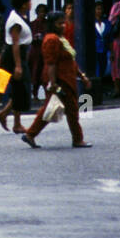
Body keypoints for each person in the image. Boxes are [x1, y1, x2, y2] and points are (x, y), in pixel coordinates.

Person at [21, 10, 92, 149]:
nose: (63, 25)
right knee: (69, 110)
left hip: (66, 78)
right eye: (60, 23)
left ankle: (30, 134)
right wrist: (53, 84)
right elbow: (51, 63)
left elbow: (70, 60)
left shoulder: (61, 38)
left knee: (51, 108)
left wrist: (82, 76)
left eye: (64, 22)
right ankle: (77, 139)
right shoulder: (52, 39)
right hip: (60, 80)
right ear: (52, 24)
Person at [0, 0, 34, 134]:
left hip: (20, 55)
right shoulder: (15, 21)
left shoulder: (20, 16)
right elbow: (15, 44)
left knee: (20, 88)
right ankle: (9, 117)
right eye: (29, 1)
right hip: (14, 56)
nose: (31, 3)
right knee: (21, 87)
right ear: (23, 4)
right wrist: (18, 66)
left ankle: (9, 117)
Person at [28, 2, 49, 100]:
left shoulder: (48, 24)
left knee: (45, 73)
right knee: (35, 73)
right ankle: (35, 94)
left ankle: (47, 93)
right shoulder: (32, 24)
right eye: (40, 12)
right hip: (35, 52)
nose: (42, 14)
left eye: (44, 12)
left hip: (45, 51)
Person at [93, 0, 111, 81]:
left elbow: (110, 37)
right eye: (98, 9)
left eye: (101, 9)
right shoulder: (91, 23)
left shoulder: (106, 22)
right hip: (95, 49)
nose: (100, 11)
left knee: (104, 67)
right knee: (97, 68)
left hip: (105, 48)